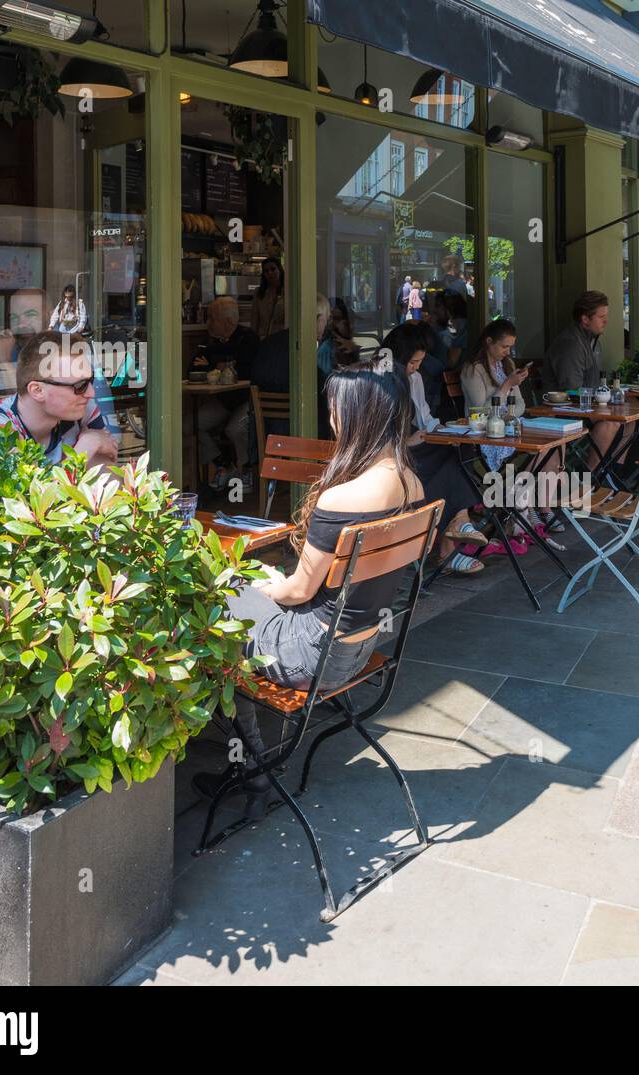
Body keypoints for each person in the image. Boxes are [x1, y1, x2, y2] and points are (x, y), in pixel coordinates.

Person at [196, 361, 428, 817]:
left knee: (212, 601)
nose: (331, 418)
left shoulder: (342, 498)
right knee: (239, 590)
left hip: (309, 653)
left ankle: (254, 766)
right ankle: (256, 760)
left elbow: (298, 592)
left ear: (354, 416)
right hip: (362, 648)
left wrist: (268, 583)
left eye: (335, 409)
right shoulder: (412, 482)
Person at [385, 323, 489, 575]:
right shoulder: (381, 383)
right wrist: (409, 441)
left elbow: (424, 416)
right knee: (452, 457)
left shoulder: (415, 378)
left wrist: (442, 430)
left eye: (420, 362)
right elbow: (380, 434)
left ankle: (453, 534)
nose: (416, 368)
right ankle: (455, 532)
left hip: (419, 445)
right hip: (395, 454)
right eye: (412, 363)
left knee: (459, 450)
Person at [460, 319, 566, 538]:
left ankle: (541, 509)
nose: (507, 352)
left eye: (510, 347)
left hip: (509, 425)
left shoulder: (505, 365)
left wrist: (507, 410)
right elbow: (481, 411)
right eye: (503, 346)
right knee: (542, 449)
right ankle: (525, 508)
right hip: (485, 433)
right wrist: (507, 385)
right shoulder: (473, 369)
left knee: (555, 443)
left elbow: (520, 405)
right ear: (489, 342)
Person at [0, 330, 117, 469]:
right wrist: (85, 449)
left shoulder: (83, 409)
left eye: (90, 380)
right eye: (80, 385)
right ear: (37, 390)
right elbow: (22, 499)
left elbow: (110, 481)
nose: (91, 393)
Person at [543, 291, 625, 468]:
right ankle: (593, 478)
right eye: (601, 317)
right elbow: (572, 390)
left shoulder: (590, 340)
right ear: (585, 319)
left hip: (586, 406)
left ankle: (614, 471)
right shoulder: (571, 344)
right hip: (565, 411)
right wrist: (602, 400)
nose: (606, 321)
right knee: (612, 422)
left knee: (631, 418)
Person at [196, 297, 260, 490]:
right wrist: (221, 364)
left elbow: (246, 371)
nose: (208, 323)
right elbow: (195, 363)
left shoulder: (248, 338)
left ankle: (247, 469)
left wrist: (216, 364)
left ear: (229, 322)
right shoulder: (209, 341)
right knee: (192, 424)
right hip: (223, 399)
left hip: (246, 398)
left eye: (212, 318)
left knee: (235, 429)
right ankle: (224, 465)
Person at [251, 257, 286, 340]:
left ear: (279, 270)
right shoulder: (259, 292)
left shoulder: (287, 292)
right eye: (266, 271)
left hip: (281, 337)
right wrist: (253, 337)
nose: (270, 273)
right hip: (264, 338)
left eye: (273, 269)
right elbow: (254, 318)